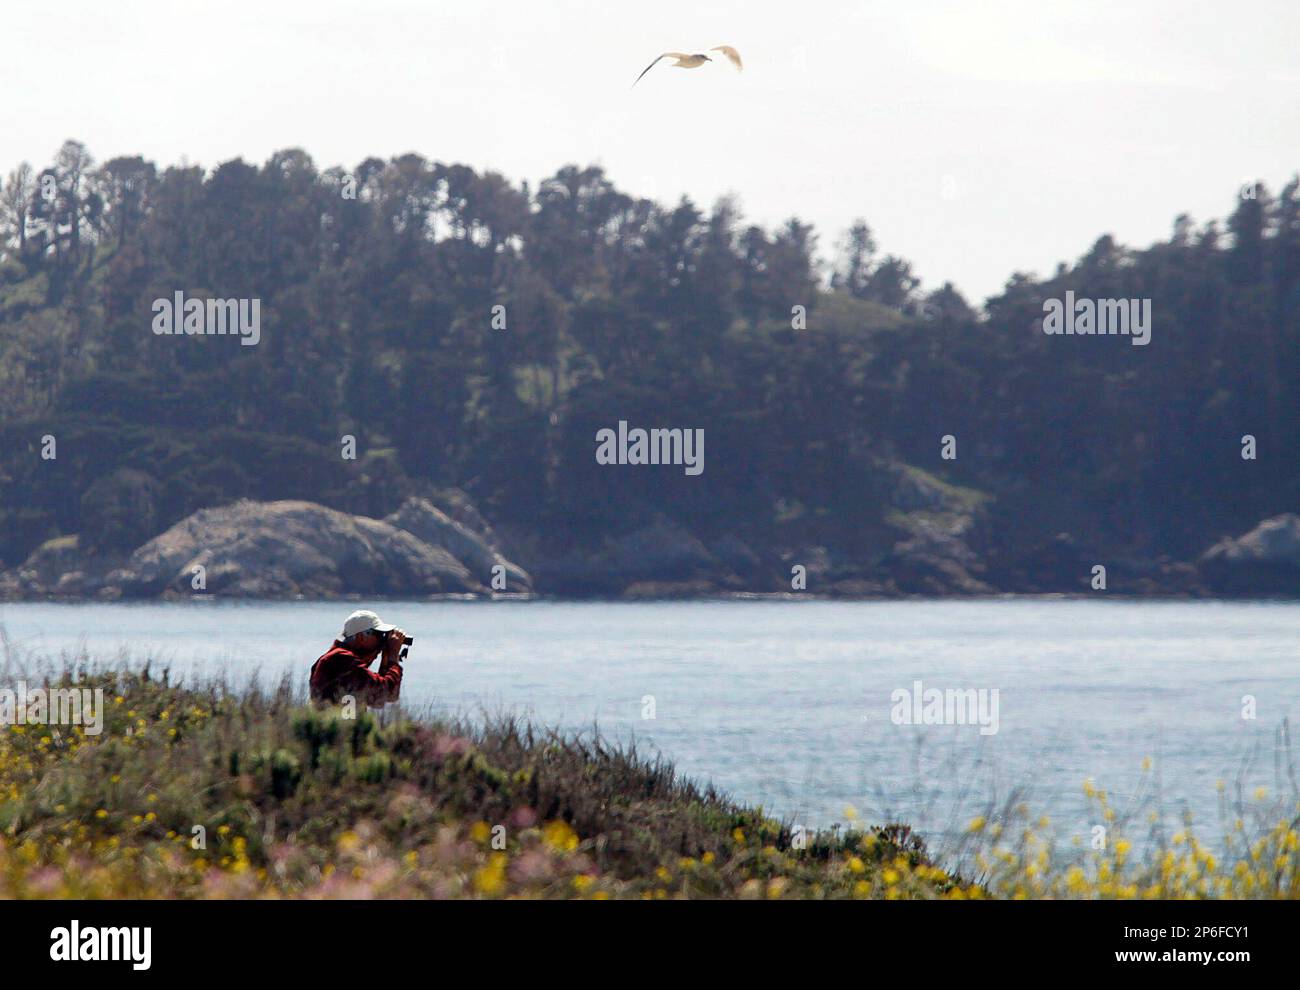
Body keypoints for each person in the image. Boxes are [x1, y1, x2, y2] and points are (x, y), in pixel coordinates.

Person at [310, 609, 407, 707]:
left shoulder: (334, 657)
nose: (381, 640)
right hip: (338, 721)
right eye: (379, 635)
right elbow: (387, 693)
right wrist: (393, 656)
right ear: (361, 637)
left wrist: (386, 660)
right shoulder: (342, 660)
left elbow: (383, 695)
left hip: (339, 720)